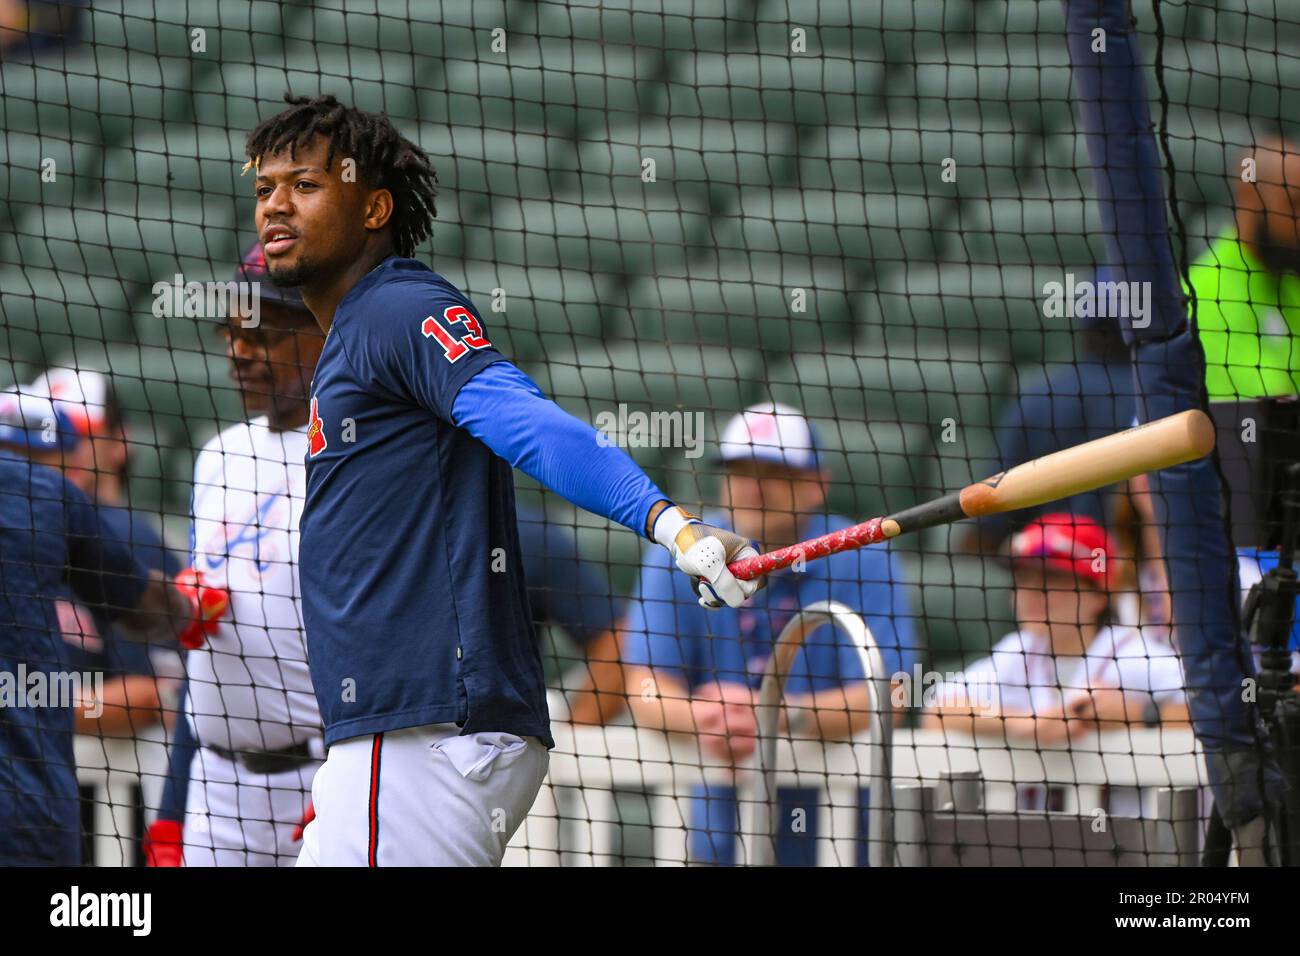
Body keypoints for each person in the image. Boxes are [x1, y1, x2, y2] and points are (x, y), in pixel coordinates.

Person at [243, 93, 761, 867]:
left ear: (374, 206)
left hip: (418, 737)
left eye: (306, 185)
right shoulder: (362, 325)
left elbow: (529, 423)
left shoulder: (397, 308)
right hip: (413, 738)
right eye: (264, 189)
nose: (276, 204)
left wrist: (670, 523)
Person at [620, 402, 921, 864]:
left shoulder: (861, 555)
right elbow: (645, 690)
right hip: (716, 836)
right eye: (741, 471)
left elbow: (892, 696)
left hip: (838, 837)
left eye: (775, 471)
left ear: (818, 483)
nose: (755, 488)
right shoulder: (678, 556)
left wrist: (772, 715)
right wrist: (708, 716)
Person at [143, 241, 328, 867]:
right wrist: (173, 808)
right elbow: (207, 665)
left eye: (263, 335)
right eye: (231, 333)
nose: (238, 354)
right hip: (217, 791)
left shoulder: (356, 456)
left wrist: (358, 783)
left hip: (323, 778)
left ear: (324, 333)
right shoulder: (218, 455)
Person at [0, 393, 223, 864]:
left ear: (74, 462)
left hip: (93, 812)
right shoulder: (48, 498)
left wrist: (49, 698)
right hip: (38, 807)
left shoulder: (115, 534)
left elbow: (148, 695)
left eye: (41, 459)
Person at [925, 513, 1189, 746]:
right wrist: (1022, 722)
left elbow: (1217, 714)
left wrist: (1141, 715)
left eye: (1052, 579)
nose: (1031, 592)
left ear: (1099, 595)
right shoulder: (1021, 650)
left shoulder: (1132, 655)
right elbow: (936, 711)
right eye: (1024, 578)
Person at [26, 367, 183, 739]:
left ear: (120, 443)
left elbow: (153, 695)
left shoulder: (130, 538)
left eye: (76, 432)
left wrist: (22, 707)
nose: (59, 448)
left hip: (115, 784)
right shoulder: (25, 530)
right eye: (45, 434)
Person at [1193, 135, 1300, 400]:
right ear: (1249, 197)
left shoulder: (1291, 284)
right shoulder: (1203, 293)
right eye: (1295, 204)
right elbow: (1276, 410)